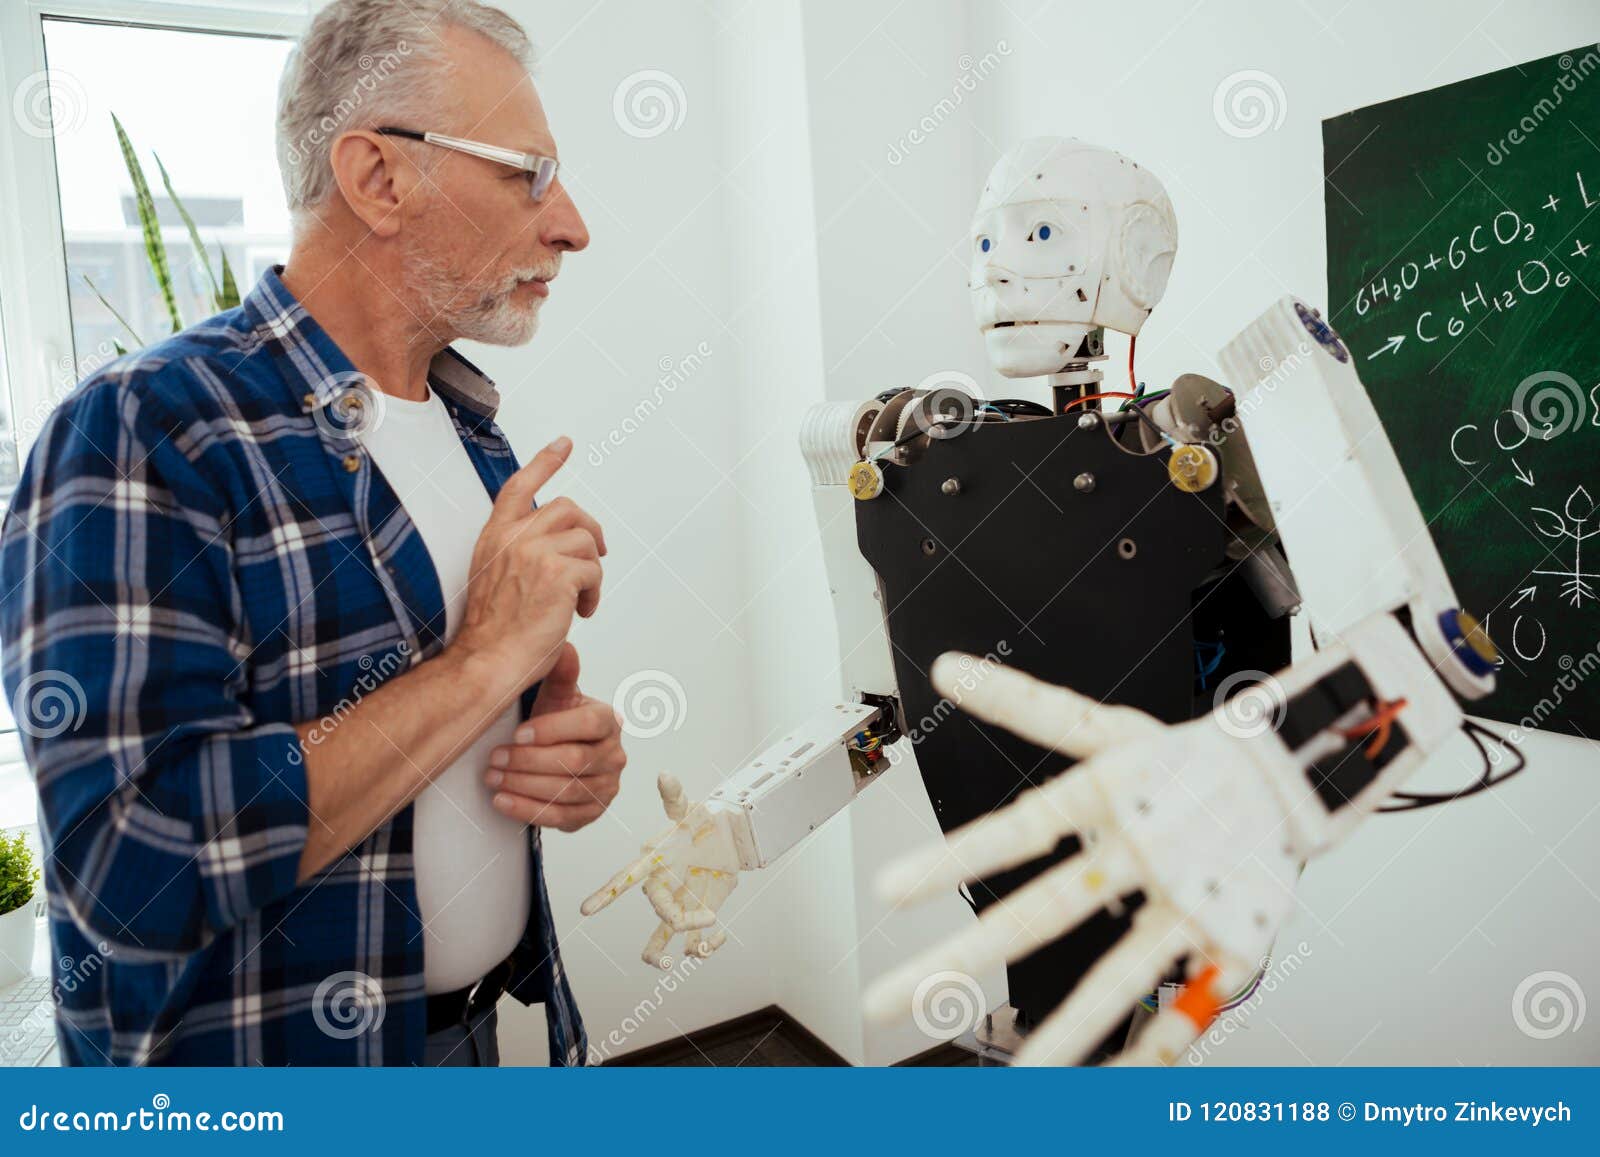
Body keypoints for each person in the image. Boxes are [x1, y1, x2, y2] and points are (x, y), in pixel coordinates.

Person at [0, 0, 623, 1066]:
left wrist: (559, 760)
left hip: (476, 1041)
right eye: (527, 171)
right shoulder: (145, 428)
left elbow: (445, 754)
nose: (569, 222)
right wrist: (479, 664)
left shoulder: (472, 429)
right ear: (378, 177)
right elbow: (133, 867)